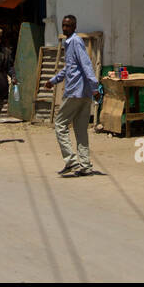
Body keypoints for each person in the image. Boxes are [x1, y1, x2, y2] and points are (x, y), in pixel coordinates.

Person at [49, 14, 100, 177]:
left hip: (76, 92)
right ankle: (85, 165)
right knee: (80, 129)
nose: (65, 29)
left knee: (60, 124)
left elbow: (86, 65)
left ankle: (71, 161)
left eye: (68, 26)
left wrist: (95, 87)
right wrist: (54, 80)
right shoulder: (69, 43)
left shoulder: (75, 42)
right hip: (83, 93)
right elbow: (70, 67)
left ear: (74, 27)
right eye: (63, 25)